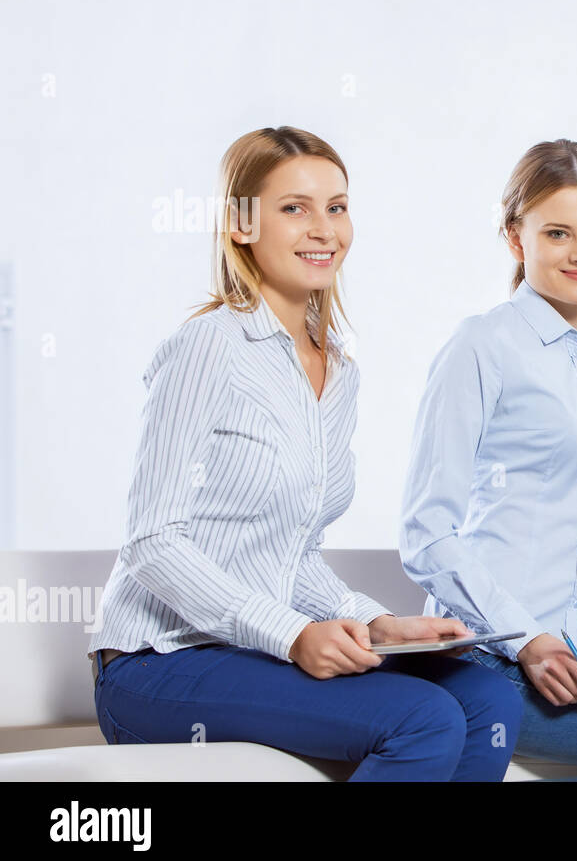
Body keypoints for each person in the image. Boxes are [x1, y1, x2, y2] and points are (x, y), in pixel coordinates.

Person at [89, 126, 522, 781]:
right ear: (240, 224)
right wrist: (289, 634)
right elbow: (153, 542)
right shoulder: (209, 348)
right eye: (295, 208)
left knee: (489, 697)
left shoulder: (338, 369)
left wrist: (375, 623)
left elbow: (290, 554)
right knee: (422, 719)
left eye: (337, 207)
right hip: (157, 664)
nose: (324, 229)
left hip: (249, 652)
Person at [399, 139, 577, 765]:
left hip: (572, 661)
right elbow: (426, 531)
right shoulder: (482, 346)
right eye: (558, 233)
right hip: (480, 655)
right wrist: (527, 640)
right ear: (516, 238)